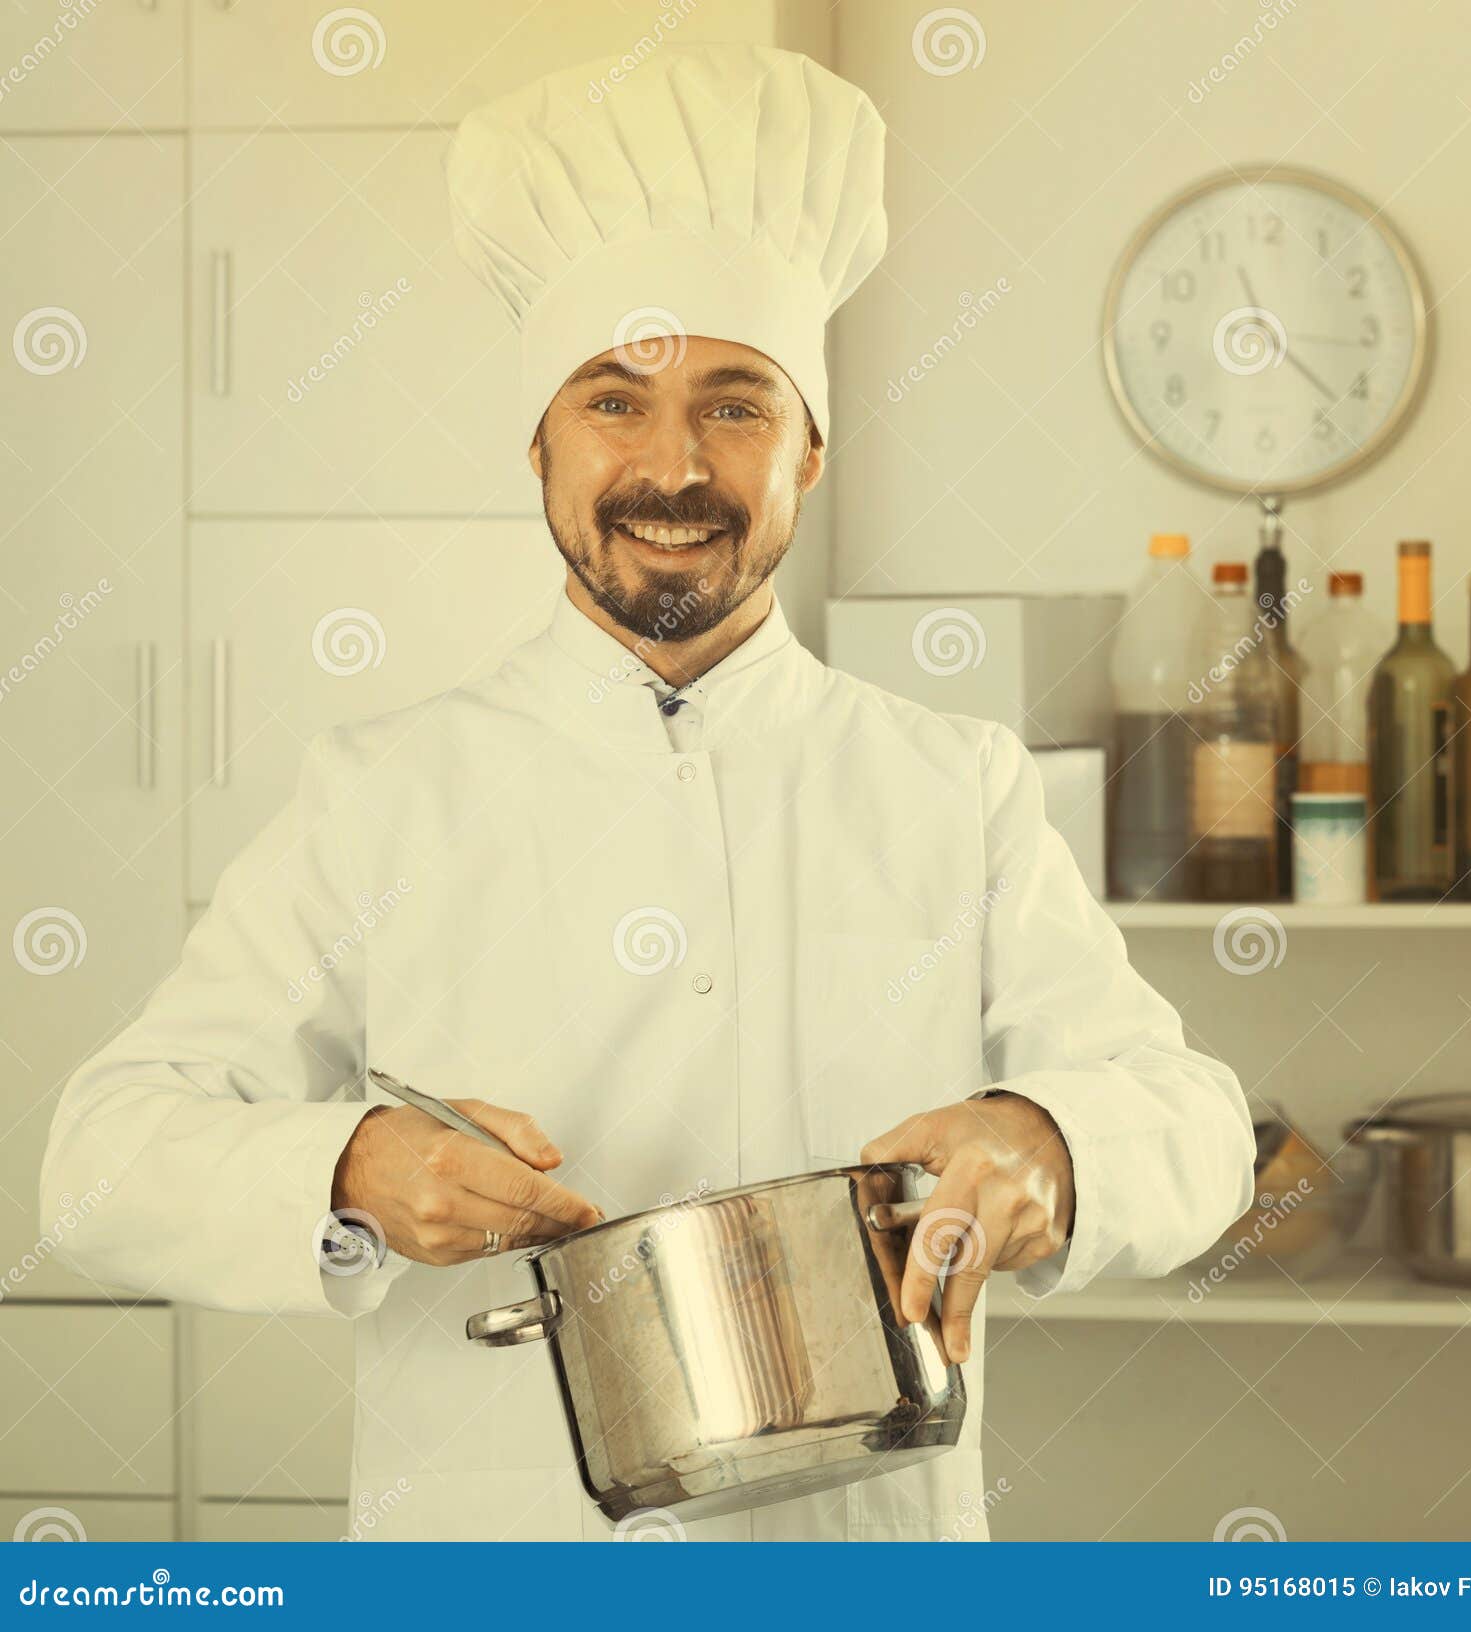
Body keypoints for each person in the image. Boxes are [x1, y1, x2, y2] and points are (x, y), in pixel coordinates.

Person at [41, 41, 1254, 1542]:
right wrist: (347, 1164)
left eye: (736, 404)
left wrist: (1052, 1145)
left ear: (812, 447)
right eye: (614, 401)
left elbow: (1201, 1127)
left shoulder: (958, 788)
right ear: (537, 439)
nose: (672, 466)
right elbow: (98, 1159)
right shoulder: (383, 794)